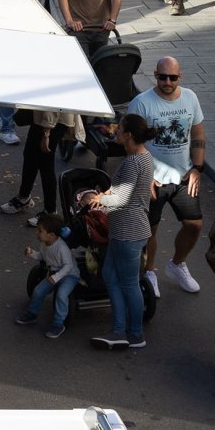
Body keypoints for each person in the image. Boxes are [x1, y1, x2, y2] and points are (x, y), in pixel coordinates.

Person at [129, 56, 210, 295]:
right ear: (155, 75)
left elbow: (197, 131)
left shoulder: (190, 98)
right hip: (153, 178)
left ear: (180, 78)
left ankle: (177, 264)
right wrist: (145, 175)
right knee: (150, 229)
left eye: (172, 77)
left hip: (183, 175)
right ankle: (150, 272)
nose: (167, 81)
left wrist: (197, 167)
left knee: (194, 224)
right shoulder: (142, 103)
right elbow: (132, 142)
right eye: (162, 76)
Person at [84, 113, 155, 353]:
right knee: (111, 276)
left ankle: (133, 334)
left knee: (128, 283)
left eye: (120, 128)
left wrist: (98, 201)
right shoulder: (143, 158)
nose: (115, 130)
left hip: (128, 231)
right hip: (127, 229)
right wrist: (104, 194)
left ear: (129, 135)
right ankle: (120, 329)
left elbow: (122, 199)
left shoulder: (133, 162)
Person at [16, 213, 78, 338]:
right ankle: (32, 314)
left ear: (52, 235)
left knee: (61, 295)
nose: (37, 234)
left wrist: (56, 278)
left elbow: (68, 266)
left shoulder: (61, 248)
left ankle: (58, 323)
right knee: (38, 291)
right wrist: (32, 253)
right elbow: (43, 256)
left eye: (40, 231)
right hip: (53, 274)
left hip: (69, 276)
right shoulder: (45, 244)